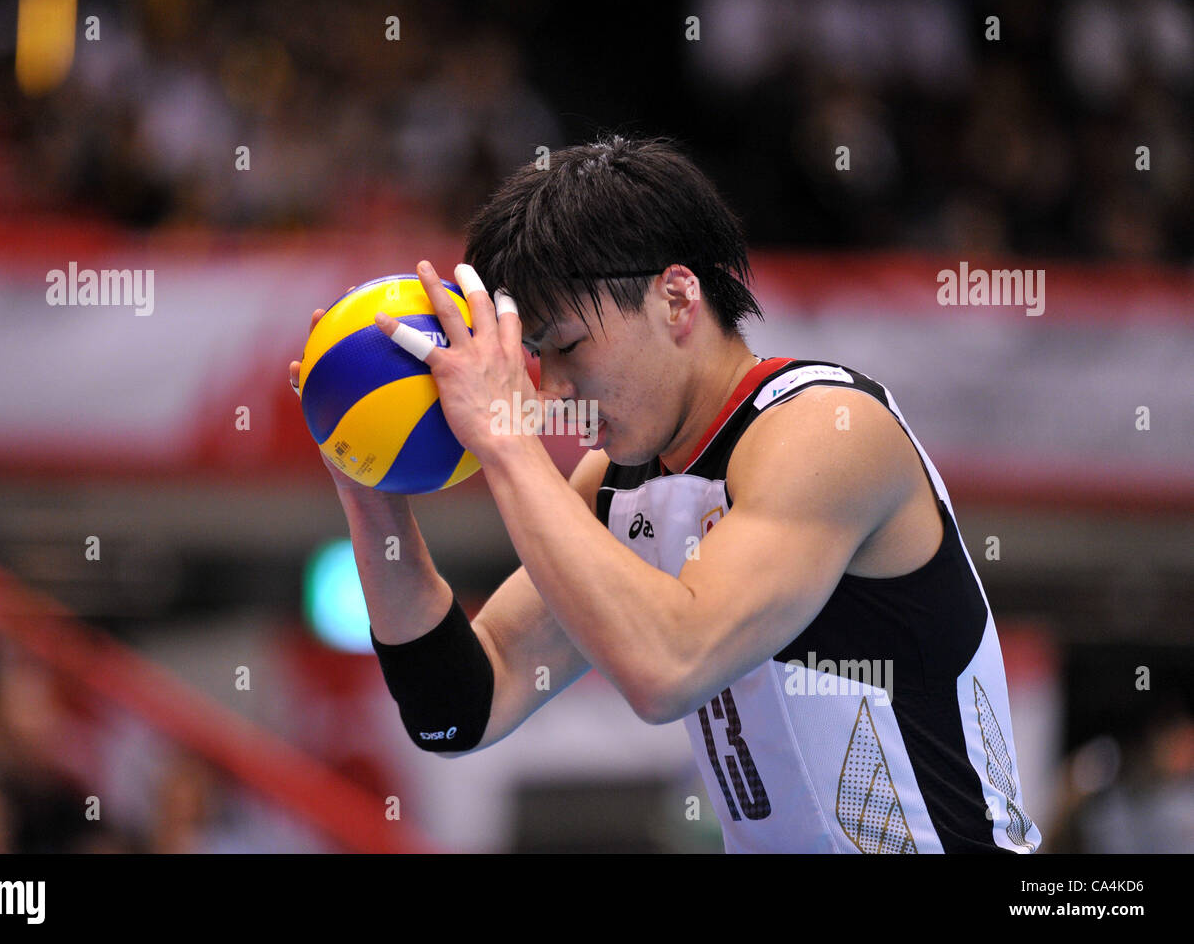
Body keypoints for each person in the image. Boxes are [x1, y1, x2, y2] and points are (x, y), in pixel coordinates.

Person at [288, 135, 1041, 853]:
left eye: (567, 347)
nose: (550, 392)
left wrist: (505, 439)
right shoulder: (618, 486)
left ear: (677, 298)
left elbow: (669, 667)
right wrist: (368, 482)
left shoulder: (826, 428)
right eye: (534, 359)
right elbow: (457, 709)